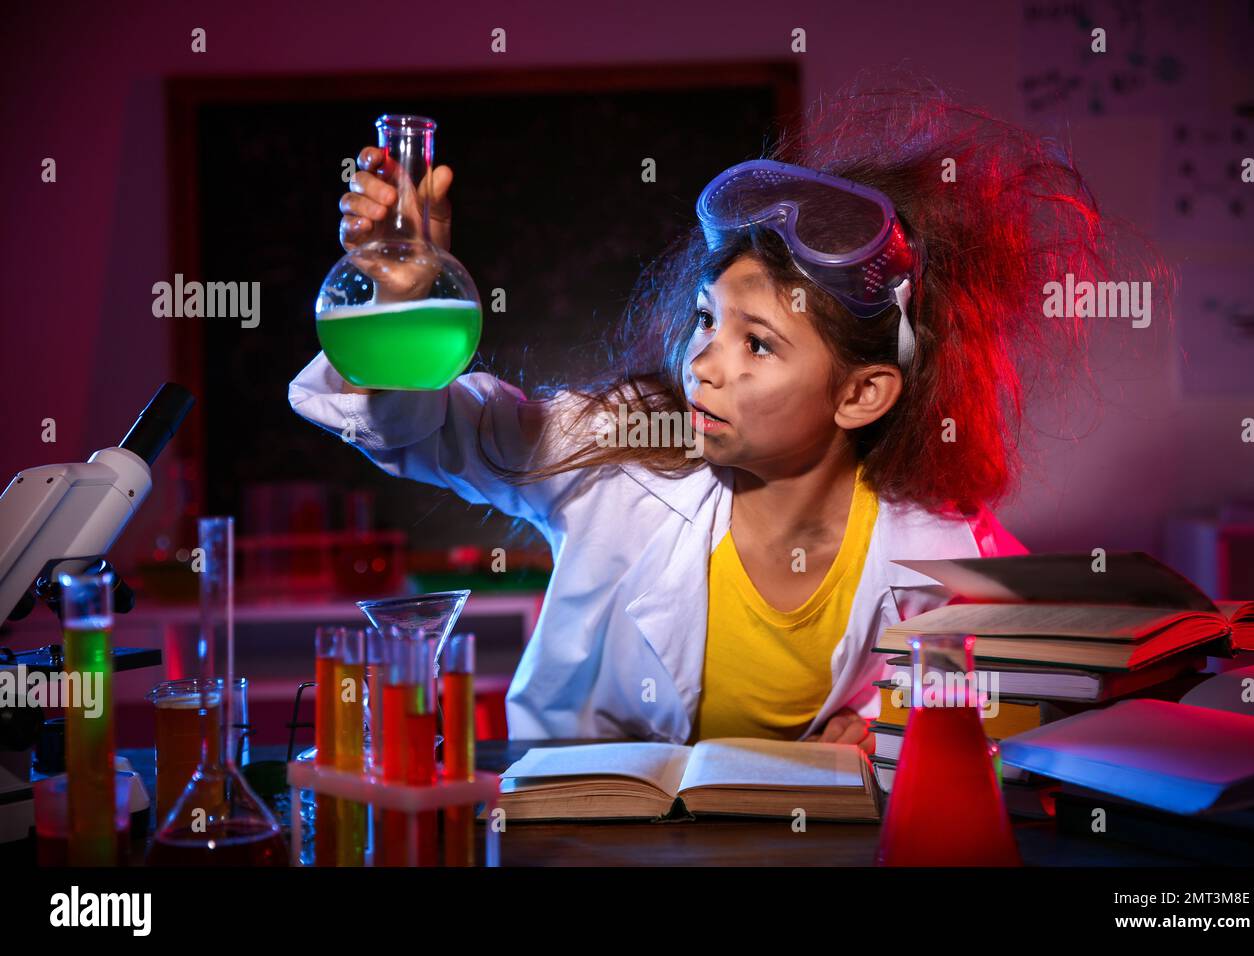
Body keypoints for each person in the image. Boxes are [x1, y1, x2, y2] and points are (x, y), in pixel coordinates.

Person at [289, 79, 1168, 751]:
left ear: (863, 393)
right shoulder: (621, 456)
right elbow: (427, 431)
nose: (702, 362)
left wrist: (892, 729)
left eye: (758, 345)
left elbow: (1050, 678)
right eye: (707, 321)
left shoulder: (942, 545)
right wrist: (393, 304)